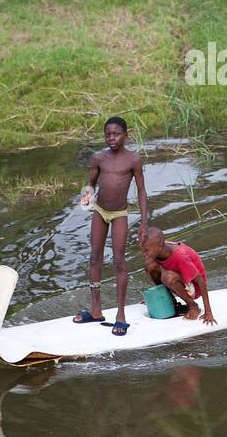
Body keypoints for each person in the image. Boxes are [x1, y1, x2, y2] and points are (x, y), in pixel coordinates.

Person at [73, 117, 148, 336]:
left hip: (119, 214)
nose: (111, 138)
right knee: (95, 258)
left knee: (119, 261)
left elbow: (142, 191)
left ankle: (121, 315)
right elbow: (91, 183)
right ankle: (96, 310)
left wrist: (144, 221)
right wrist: (86, 195)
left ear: (125, 135)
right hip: (99, 212)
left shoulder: (133, 160)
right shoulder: (99, 158)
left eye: (116, 134)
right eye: (107, 134)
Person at [140, 227, 215, 325]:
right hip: (178, 277)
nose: (143, 253)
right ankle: (169, 300)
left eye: (146, 250)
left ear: (159, 247)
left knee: (168, 277)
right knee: (150, 265)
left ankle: (193, 306)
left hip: (194, 287)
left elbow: (200, 280)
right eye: (142, 250)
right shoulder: (158, 247)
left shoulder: (180, 256)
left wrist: (208, 311)